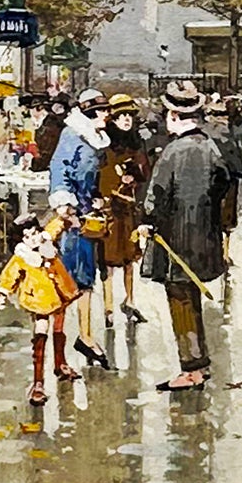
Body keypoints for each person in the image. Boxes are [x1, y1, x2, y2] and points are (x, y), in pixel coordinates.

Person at [138, 80, 232, 390]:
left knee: (180, 301)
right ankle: (199, 363)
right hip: (202, 235)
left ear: (174, 116)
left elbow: (157, 194)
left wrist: (149, 221)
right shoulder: (209, 147)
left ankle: (192, 369)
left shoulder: (173, 151)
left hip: (175, 238)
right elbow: (223, 182)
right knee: (192, 298)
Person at [45, 92, 113, 367]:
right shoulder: (72, 136)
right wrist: (64, 205)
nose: (106, 115)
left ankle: (85, 337)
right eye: (102, 111)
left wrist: (96, 196)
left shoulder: (94, 140)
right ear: (89, 114)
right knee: (67, 282)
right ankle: (57, 345)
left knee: (85, 280)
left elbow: (89, 176)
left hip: (87, 217)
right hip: (71, 218)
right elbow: (59, 171)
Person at [0, 197, 84, 405]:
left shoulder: (46, 242)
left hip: (60, 293)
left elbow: (55, 225)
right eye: (27, 237)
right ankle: (38, 382)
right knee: (41, 332)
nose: (33, 239)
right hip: (39, 299)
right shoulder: (22, 257)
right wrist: (2, 293)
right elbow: (9, 276)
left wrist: (64, 215)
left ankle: (60, 364)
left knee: (60, 329)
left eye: (34, 233)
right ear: (20, 241)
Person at [94, 92, 154, 330]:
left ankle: (129, 301)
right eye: (121, 116)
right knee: (108, 260)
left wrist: (135, 175)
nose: (126, 119)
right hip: (109, 208)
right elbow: (97, 174)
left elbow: (146, 173)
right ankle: (108, 307)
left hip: (129, 208)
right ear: (113, 119)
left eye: (129, 115)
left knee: (130, 258)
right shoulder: (103, 144)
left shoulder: (138, 143)